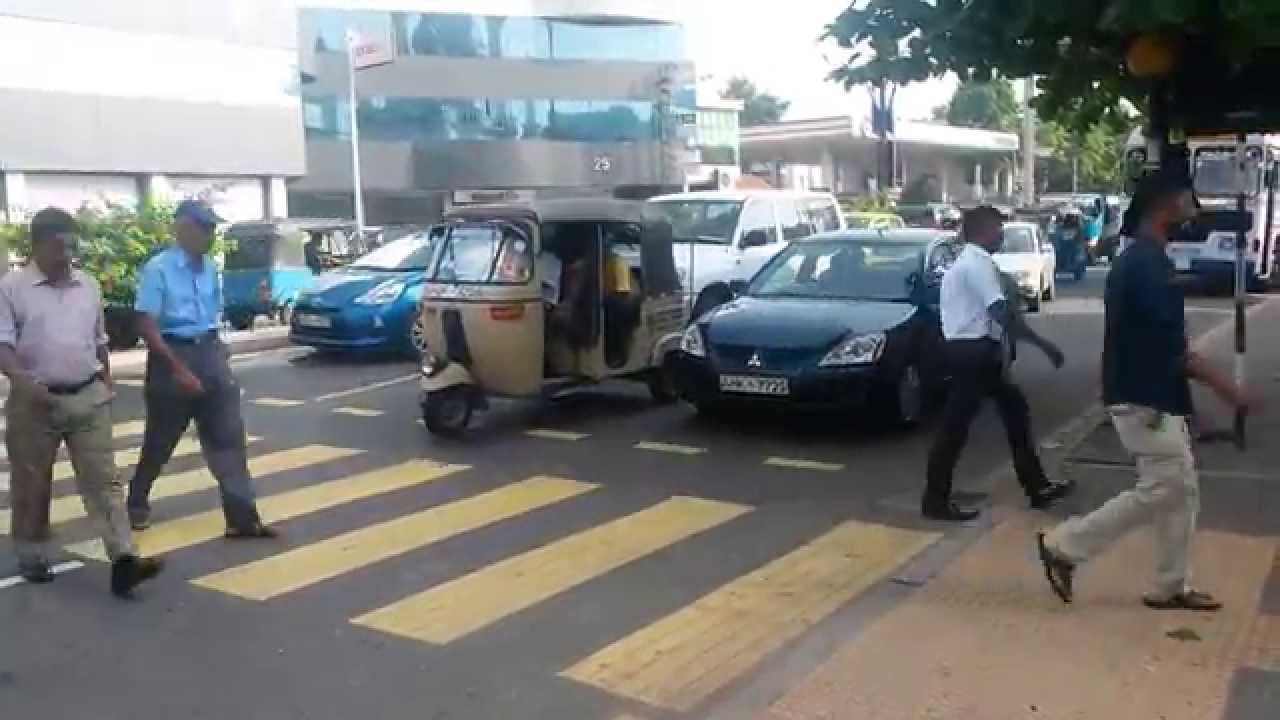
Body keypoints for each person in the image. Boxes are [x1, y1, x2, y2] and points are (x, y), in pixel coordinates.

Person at [1037, 171, 1253, 611]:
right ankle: (1064, 546)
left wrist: (1188, 409)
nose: (1193, 207)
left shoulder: (1144, 259)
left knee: (1181, 488)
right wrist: (1229, 390)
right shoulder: (1146, 265)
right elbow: (1174, 351)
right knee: (1163, 486)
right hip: (1143, 399)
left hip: (1151, 396)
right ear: (1164, 206)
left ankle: (1170, 585)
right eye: (1187, 197)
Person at [0, 208, 163, 596]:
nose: (67, 255)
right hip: (34, 402)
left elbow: (99, 340)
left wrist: (106, 381)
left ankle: (124, 558)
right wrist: (25, 385)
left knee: (104, 481)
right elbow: (2, 345)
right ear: (37, 245)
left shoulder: (88, 285)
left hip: (87, 394)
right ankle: (32, 551)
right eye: (59, 246)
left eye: (72, 246)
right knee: (32, 482)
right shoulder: (11, 288)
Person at [126, 200, 276, 539]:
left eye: (212, 228)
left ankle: (242, 519)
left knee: (228, 439)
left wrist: (219, 354)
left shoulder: (209, 267)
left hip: (208, 353)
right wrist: (178, 370)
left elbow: (211, 315)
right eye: (204, 228)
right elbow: (146, 324)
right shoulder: (158, 269)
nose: (210, 235)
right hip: (171, 356)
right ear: (183, 227)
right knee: (161, 440)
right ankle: (136, 501)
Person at [922, 205, 1074, 522]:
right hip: (971, 353)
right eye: (999, 229)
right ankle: (935, 500)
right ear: (983, 231)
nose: (1002, 235)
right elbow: (1000, 312)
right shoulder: (975, 265)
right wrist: (1043, 345)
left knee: (1013, 411)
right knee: (956, 428)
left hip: (975, 351)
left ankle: (1037, 487)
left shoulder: (972, 262)